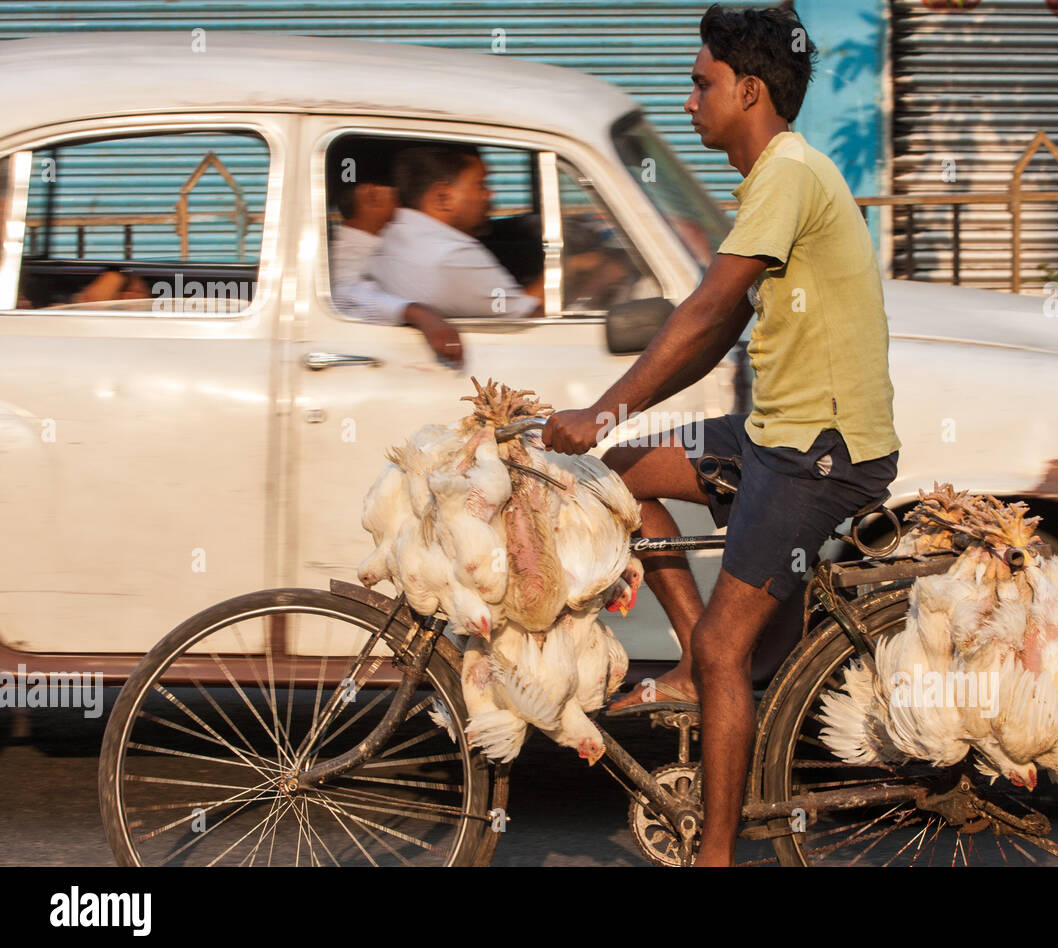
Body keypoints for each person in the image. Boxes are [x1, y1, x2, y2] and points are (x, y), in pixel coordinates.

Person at [542, 3, 901, 866]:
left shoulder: (788, 175)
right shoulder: (775, 178)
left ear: (748, 90)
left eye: (701, 84)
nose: (688, 97)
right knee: (620, 475)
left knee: (724, 642)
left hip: (822, 449)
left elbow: (705, 314)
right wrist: (610, 431)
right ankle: (700, 670)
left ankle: (717, 853)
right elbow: (709, 322)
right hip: (775, 432)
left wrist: (600, 412)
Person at [367, 144, 543, 319]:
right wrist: (566, 271)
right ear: (443, 197)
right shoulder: (453, 256)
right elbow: (529, 316)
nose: (490, 194)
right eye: (480, 185)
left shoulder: (391, 237)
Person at [329, 168, 464, 366]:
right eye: (402, 196)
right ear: (373, 195)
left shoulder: (384, 243)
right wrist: (418, 313)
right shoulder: (347, 253)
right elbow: (346, 292)